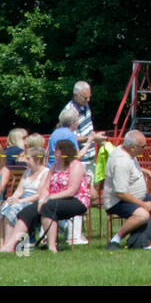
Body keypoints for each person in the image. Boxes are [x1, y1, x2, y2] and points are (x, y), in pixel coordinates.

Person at [15, 139, 89, 252]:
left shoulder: (76, 165)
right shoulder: (54, 166)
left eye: (57, 149)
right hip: (53, 200)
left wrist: (49, 198)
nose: (54, 151)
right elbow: (45, 187)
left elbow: (72, 190)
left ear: (64, 151)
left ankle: (52, 246)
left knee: (47, 207)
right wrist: (42, 199)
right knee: (28, 210)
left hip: (77, 200)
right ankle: (10, 245)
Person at [103, 130, 151, 250]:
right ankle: (116, 239)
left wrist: (147, 171)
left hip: (135, 196)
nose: (145, 149)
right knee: (142, 214)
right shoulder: (121, 162)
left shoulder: (127, 151)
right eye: (143, 147)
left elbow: (131, 168)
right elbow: (120, 193)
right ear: (132, 147)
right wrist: (143, 205)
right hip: (117, 201)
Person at [59, 80, 103, 245]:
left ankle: (75, 231)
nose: (87, 100)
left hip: (89, 157)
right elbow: (71, 137)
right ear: (75, 95)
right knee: (80, 196)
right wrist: (92, 138)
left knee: (86, 196)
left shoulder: (85, 107)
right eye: (85, 97)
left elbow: (86, 129)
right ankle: (70, 230)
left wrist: (95, 139)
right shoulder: (69, 112)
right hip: (78, 159)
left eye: (89, 97)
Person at [0, 142, 49, 253]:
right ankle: (2, 244)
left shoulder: (46, 172)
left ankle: (9, 245)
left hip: (34, 201)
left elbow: (39, 194)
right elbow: (20, 190)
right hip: (22, 199)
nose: (25, 161)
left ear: (37, 160)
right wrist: (12, 198)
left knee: (12, 209)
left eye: (28, 159)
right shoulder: (27, 172)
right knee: (2, 207)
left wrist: (19, 201)